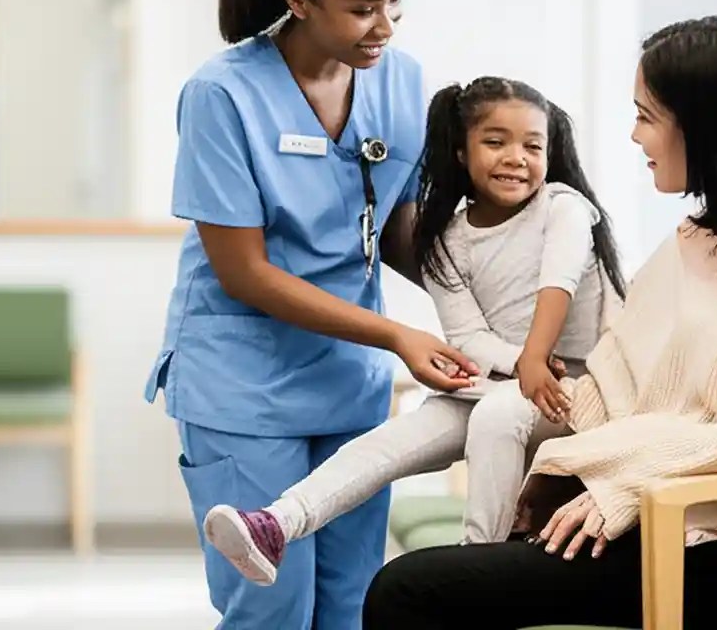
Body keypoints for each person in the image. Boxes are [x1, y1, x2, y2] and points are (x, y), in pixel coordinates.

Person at [361, 16, 717, 630]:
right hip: (651, 523)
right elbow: (608, 385)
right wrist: (548, 458)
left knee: (411, 592)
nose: (633, 134)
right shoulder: (693, 240)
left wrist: (624, 483)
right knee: (433, 580)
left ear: (702, 125)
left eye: (647, 115)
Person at [142, 0, 486, 627]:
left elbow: (398, 233)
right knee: (274, 607)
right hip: (243, 384)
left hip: (348, 381)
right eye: (362, 9)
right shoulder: (223, 94)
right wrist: (397, 336)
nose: (384, 27)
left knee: (351, 601)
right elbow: (244, 273)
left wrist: (504, 303)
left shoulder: (403, 84)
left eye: (395, 5)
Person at [203, 76, 627, 586]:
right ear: (461, 151)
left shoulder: (564, 207)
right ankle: (277, 522)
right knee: (385, 444)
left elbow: (557, 281)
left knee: (496, 415)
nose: (516, 156)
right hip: (505, 381)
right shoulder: (448, 239)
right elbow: (467, 335)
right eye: (495, 142)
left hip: (576, 389)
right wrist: (520, 362)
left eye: (532, 146)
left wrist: (535, 359)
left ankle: (477, 567)